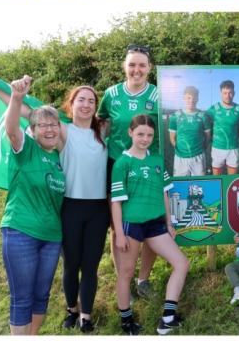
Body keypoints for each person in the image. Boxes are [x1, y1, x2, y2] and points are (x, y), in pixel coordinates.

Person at [0, 73, 108, 333]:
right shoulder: (62, 129)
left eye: (91, 101)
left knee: (90, 265)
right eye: (81, 99)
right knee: (71, 264)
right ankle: (71, 310)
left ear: (95, 106)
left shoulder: (104, 131)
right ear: (72, 104)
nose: (86, 104)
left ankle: (86, 314)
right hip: (69, 206)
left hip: (98, 209)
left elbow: (134, 132)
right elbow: (28, 113)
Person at [109, 115, 189, 335]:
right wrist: (119, 234)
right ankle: (126, 320)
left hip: (155, 224)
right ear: (131, 133)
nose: (145, 139)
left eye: (150, 135)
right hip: (131, 225)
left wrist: (169, 222)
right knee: (126, 274)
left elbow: (164, 192)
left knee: (181, 263)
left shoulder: (156, 160)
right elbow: (116, 202)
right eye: (140, 134)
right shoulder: (122, 163)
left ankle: (168, 318)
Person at [96, 45, 161, 297]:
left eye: (142, 65)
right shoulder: (111, 94)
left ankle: (143, 279)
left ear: (149, 68)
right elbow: (101, 123)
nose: (137, 70)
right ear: (125, 67)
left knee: (151, 222)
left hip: (148, 166)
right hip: (117, 165)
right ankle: (124, 277)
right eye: (132, 64)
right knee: (118, 226)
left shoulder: (158, 94)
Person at [167, 86, 210, 176]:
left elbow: (207, 137)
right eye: (189, 97)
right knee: (180, 186)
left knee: (199, 184)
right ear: (184, 98)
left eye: (194, 97)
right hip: (180, 157)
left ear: (198, 98)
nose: (191, 100)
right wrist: (182, 150)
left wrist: (200, 149)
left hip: (198, 157)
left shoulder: (203, 116)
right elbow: (172, 138)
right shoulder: (175, 116)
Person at [208, 79, 239, 175]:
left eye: (230, 93)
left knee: (232, 179)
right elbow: (207, 126)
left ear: (234, 93)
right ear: (220, 93)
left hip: (233, 148)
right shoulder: (213, 109)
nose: (227, 96)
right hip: (217, 148)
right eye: (225, 93)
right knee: (216, 178)